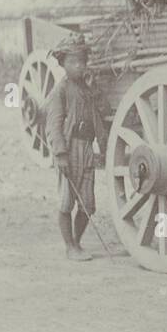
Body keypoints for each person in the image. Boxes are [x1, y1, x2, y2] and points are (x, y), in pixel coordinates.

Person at [44, 34, 109, 261]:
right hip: (69, 150)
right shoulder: (59, 91)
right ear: (63, 64)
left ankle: (77, 242)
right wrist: (60, 154)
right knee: (66, 201)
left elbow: (103, 110)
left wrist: (93, 90)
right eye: (73, 62)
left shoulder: (89, 88)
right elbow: (53, 124)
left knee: (87, 203)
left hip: (87, 149)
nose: (79, 66)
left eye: (82, 61)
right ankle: (69, 246)